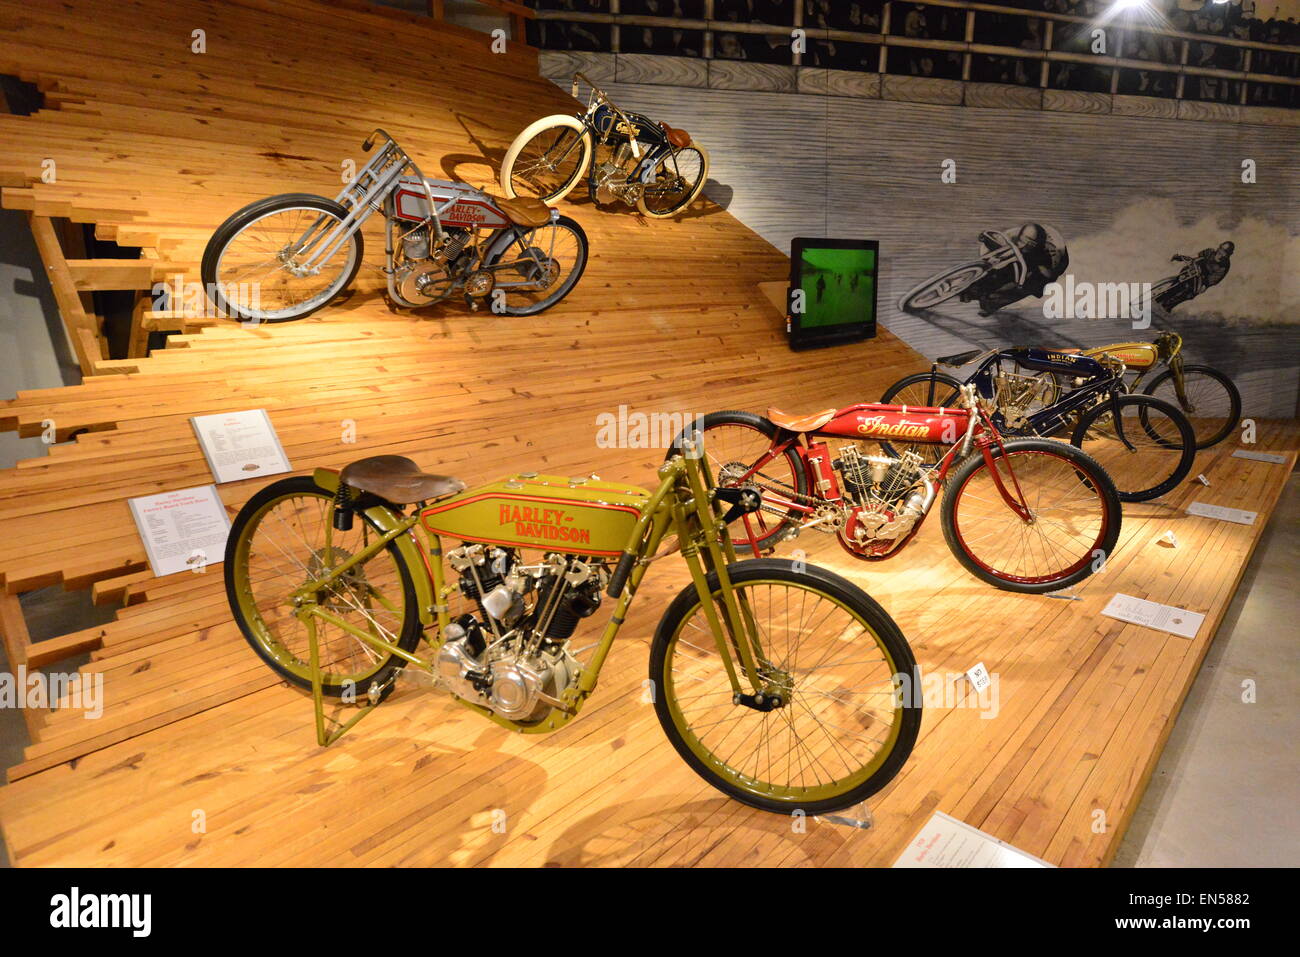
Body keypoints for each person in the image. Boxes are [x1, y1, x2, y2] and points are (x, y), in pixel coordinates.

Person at [974, 223, 1070, 315]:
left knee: (1032, 286)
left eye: (1026, 244)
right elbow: (1000, 241)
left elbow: (1049, 274)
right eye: (1021, 241)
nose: (1021, 244)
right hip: (1035, 243)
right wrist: (987, 241)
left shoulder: (1053, 253)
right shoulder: (1016, 233)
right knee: (1012, 260)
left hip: (1052, 264)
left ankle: (993, 304)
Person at [1157, 241, 1234, 310]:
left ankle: (1167, 306)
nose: (1221, 253)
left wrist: (1204, 285)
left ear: (1229, 255)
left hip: (1201, 280)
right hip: (1192, 271)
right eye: (1220, 249)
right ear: (1218, 248)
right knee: (1177, 285)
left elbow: (1212, 280)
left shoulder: (1224, 266)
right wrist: (1181, 257)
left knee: (1189, 294)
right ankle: (1159, 299)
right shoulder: (1209, 252)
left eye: (1225, 252)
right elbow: (1195, 257)